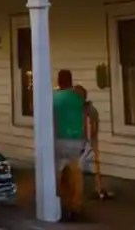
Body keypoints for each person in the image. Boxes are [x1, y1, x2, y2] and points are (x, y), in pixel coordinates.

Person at [53, 70, 85, 221]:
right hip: (76, 140)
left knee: (57, 173)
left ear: (59, 81)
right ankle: (75, 205)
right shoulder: (78, 98)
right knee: (75, 173)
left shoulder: (54, 98)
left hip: (58, 139)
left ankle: (57, 203)